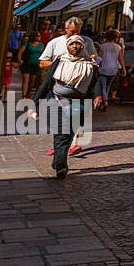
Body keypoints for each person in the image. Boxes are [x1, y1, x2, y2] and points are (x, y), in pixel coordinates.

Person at [34, 33, 97, 178]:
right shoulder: (59, 62)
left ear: (83, 46)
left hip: (79, 104)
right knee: (61, 134)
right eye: (72, 44)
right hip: (57, 101)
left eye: (78, 44)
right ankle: (61, 166)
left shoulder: (90, 64)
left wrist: (99, 97)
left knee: (68, 134)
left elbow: (95, 83)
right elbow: (47, 83)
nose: (75, 46)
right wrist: (35, 103)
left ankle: (58, 162)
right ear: (67, 46)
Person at [94, 29, 125, 111]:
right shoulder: (118, 47)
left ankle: (105, 101)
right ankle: (105, 99)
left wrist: (96, 66)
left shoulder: (102, 46)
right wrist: (124, 69)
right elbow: (121, 59)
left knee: (103, 86)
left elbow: (99, 58)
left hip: (103, 68)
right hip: (114, 69)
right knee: (108, 86)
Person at [19, 31, 44, 100]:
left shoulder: (41, 45)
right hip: (27, 64)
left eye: (40, 36)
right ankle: (24, 95)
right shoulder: (27, 44)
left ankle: (28, 92)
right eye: (38, 36)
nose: (39, 37)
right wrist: (20, 61)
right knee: (26, 80)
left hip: (35, 64)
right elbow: (20, 52)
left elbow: (43, 54)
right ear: (34, 36)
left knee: (32, 82)